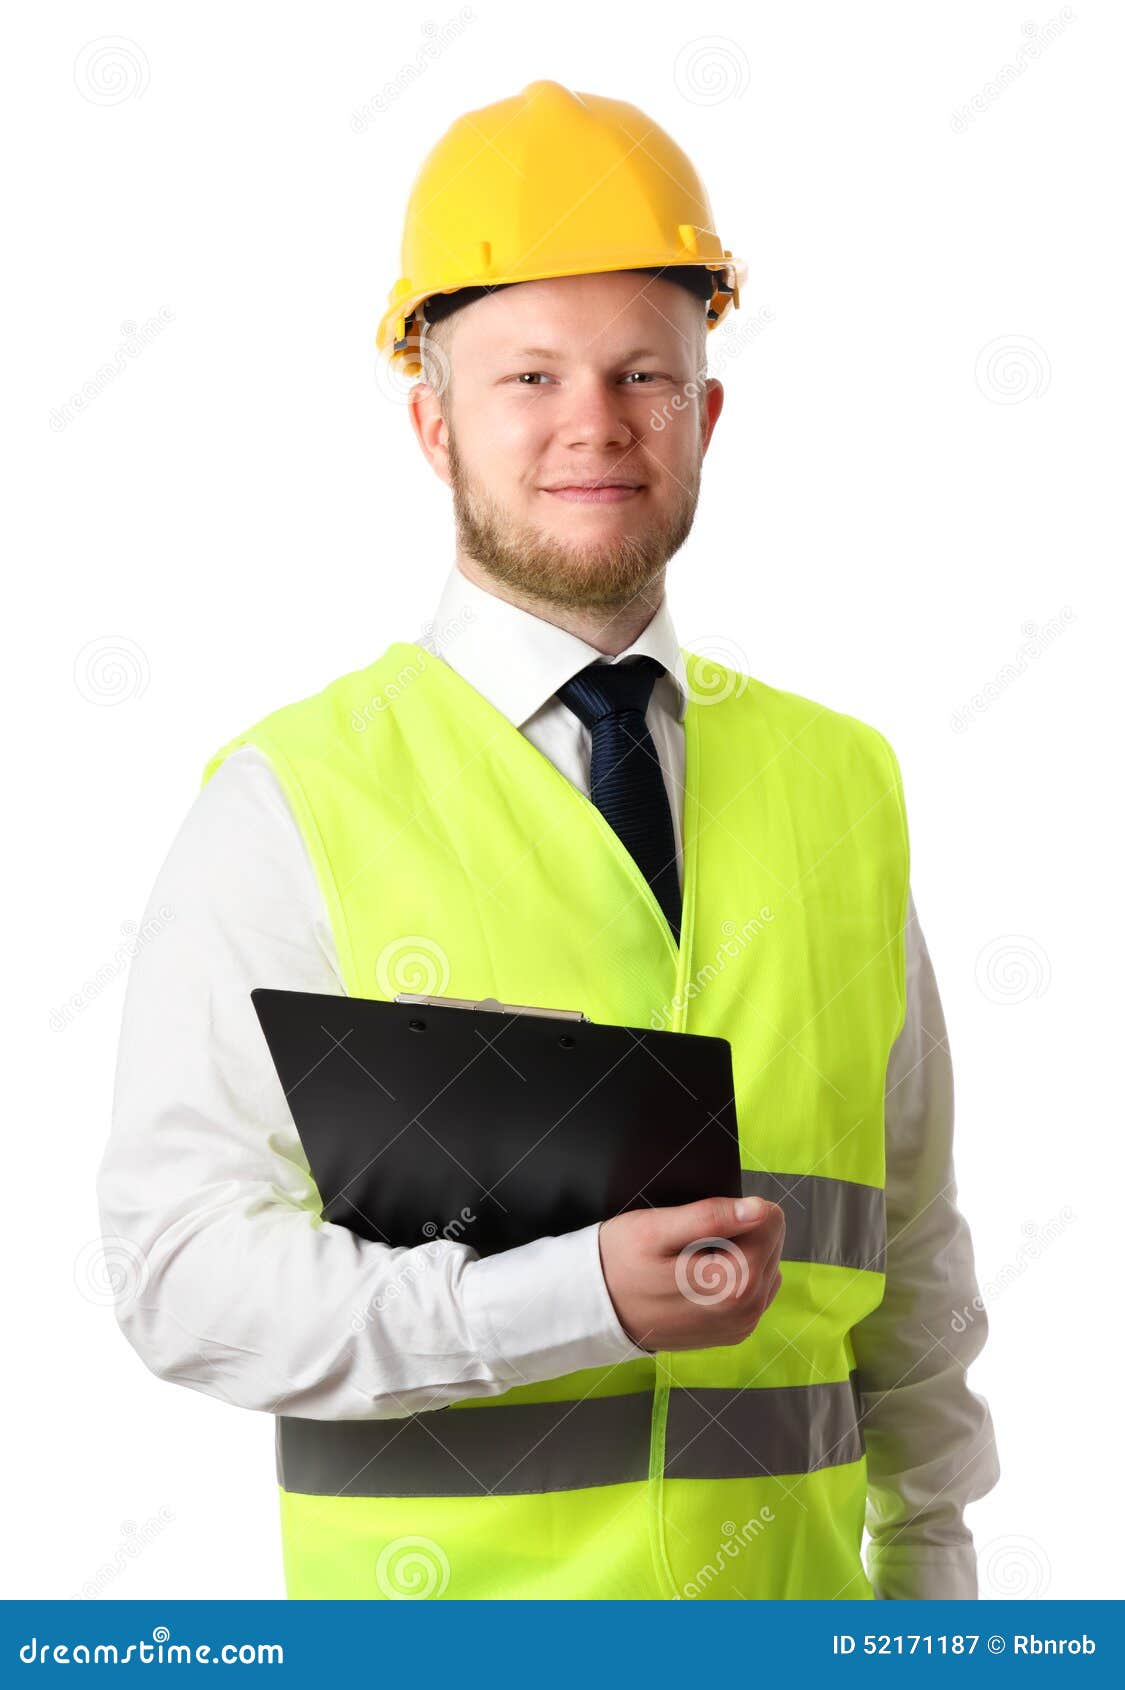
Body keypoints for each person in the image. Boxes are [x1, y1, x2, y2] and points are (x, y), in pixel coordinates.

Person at [96, 79, 998, 1602]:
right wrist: (559, 1297)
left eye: (640, 372)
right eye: (528, 375)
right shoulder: (290, 800)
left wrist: (937, 1577)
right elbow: (177, 1276)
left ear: (704, 412)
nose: (592, 422)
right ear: (430, 419)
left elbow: (907, 1259)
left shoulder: (841, 785)